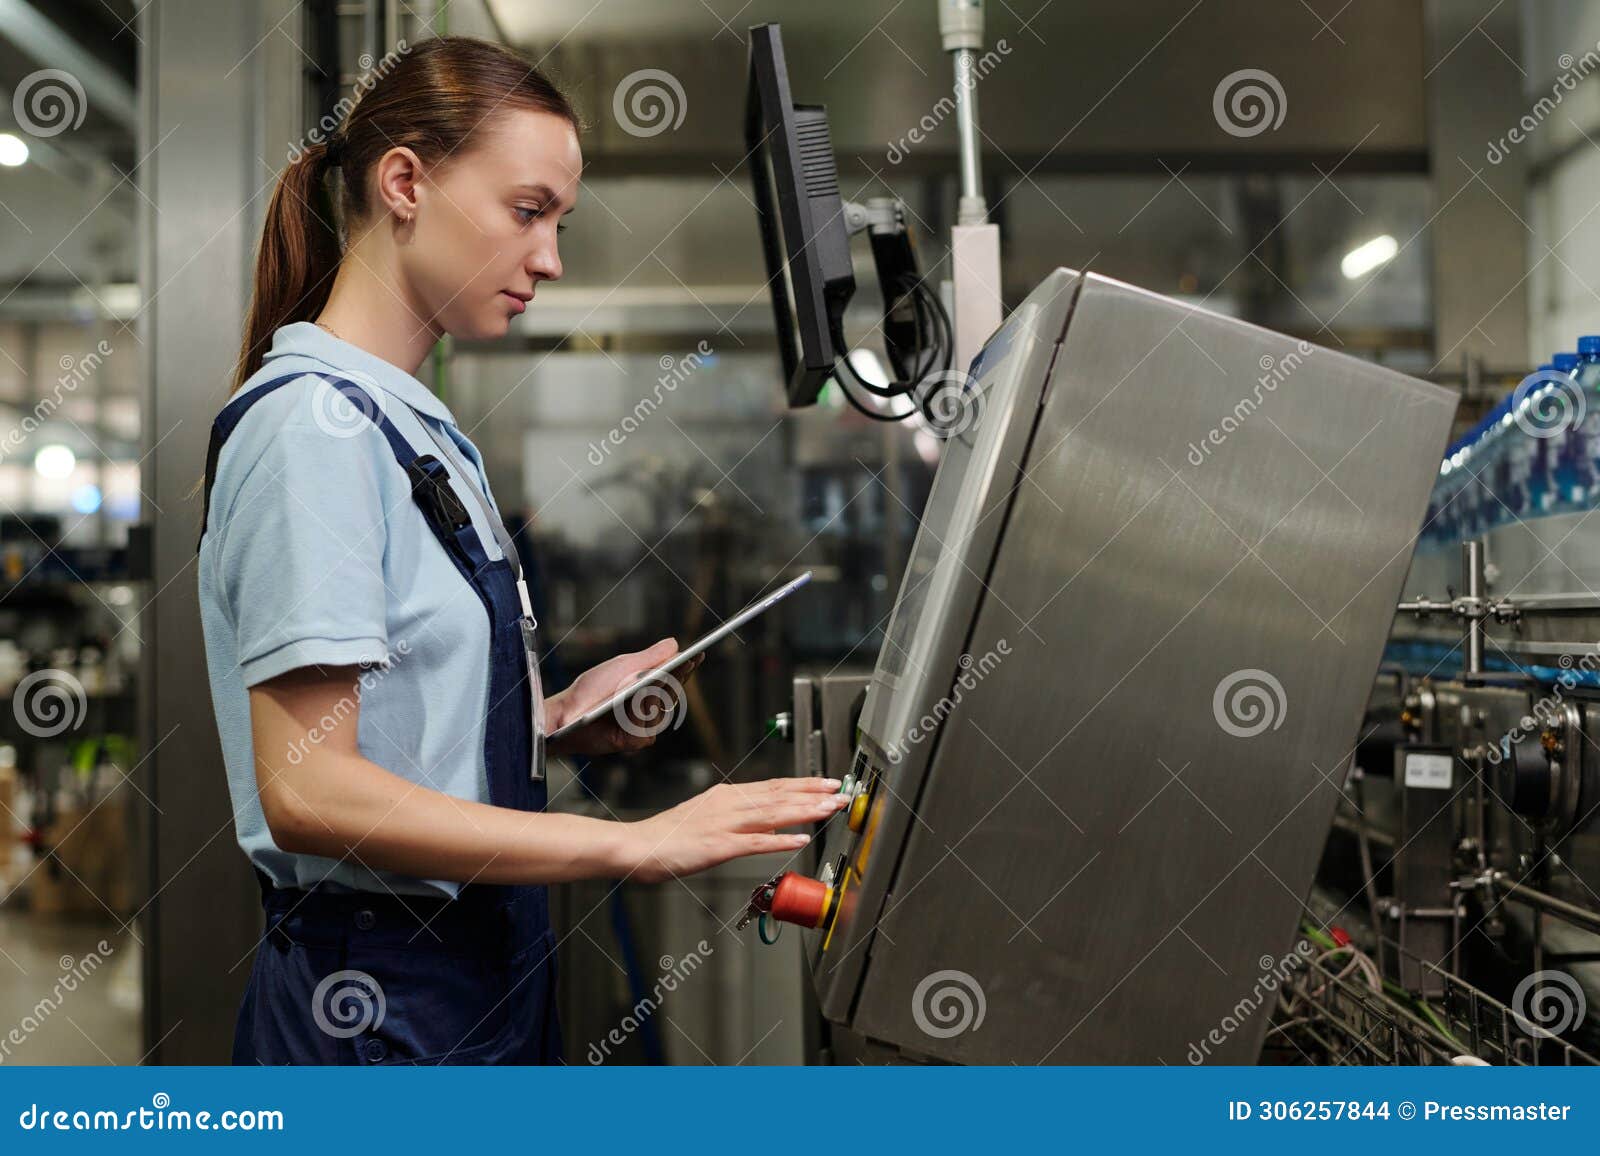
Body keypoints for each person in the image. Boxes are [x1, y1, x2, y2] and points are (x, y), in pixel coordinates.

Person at [197, 35, 845, 1066]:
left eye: (558, 220)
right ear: (403, 182)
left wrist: (545, 726)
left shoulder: (415, 427)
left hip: (480, 970)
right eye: (527, 210)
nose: (548, 257)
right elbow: (311, 790)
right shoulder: (310, 430)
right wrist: (634, 843)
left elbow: (392, 721)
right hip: (383, 1000)